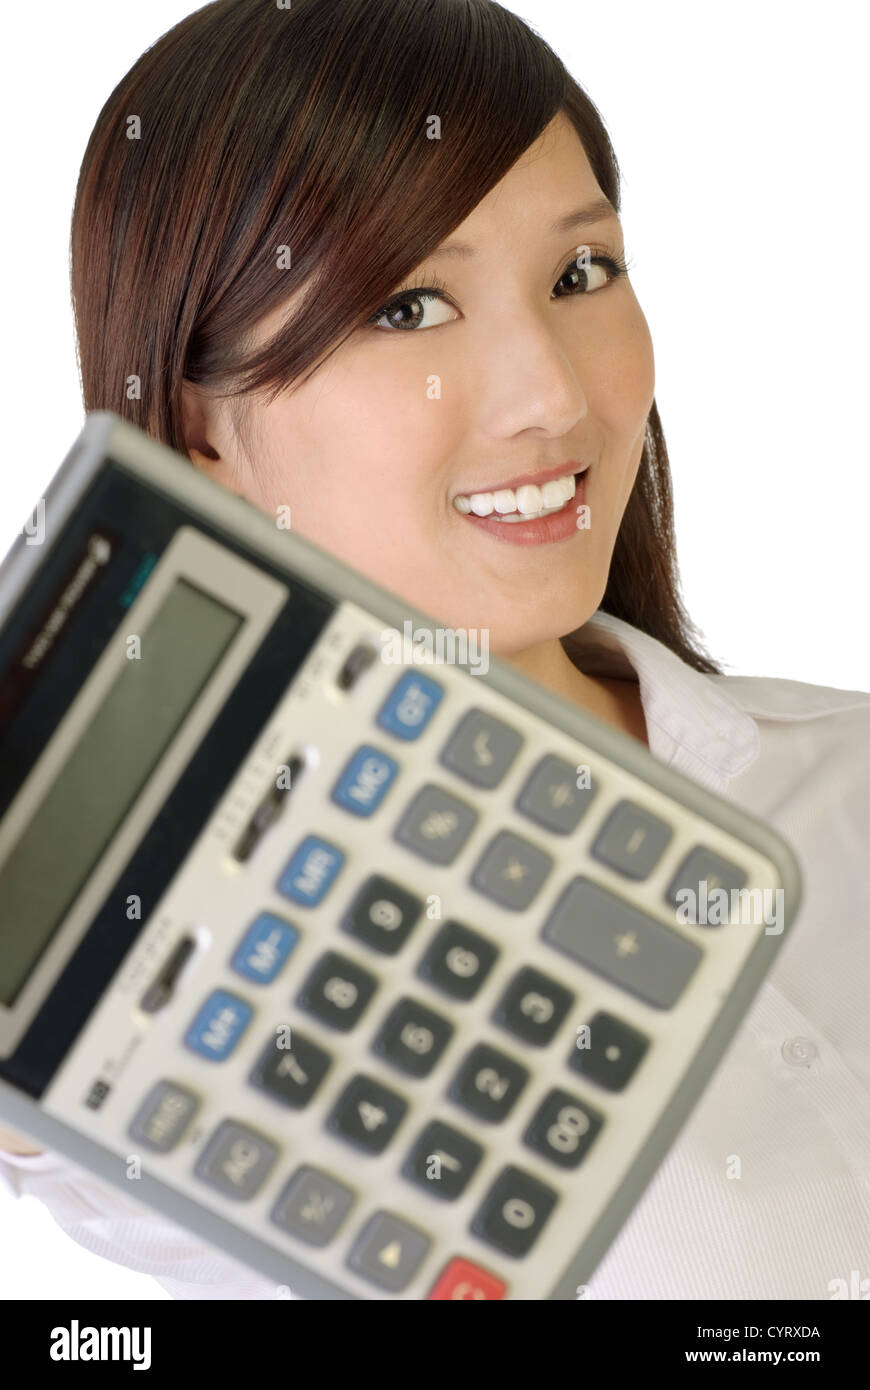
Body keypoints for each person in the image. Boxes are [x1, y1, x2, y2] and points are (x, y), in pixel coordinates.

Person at [2, 0, 868, 1300]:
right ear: (198, 439)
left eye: (581, 275)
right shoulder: (171, 1024)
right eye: (407, 306)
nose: (553, 398)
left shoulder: (846, 765)